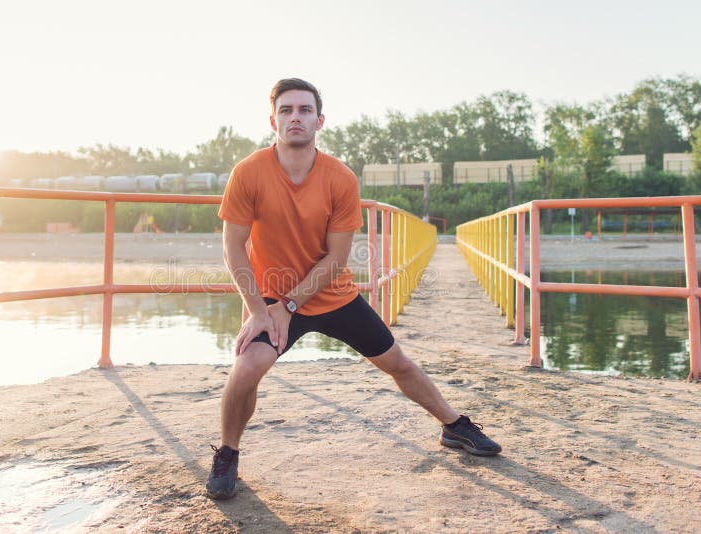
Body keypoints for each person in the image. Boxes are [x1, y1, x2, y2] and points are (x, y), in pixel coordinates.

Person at [206, 78, 501, 500]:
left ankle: (455, 426)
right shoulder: (249, 172)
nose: (295, 117)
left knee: (397, 362)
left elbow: (336, 259)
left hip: (331, 295)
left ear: (319, 120)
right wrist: (259, 310)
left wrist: (292, 304)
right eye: (286, 110)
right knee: (247, 368)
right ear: (273, 120)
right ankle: (228, 454)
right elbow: (233, 248)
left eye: (304, 110)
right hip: (268, 298)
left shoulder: (339, 177)